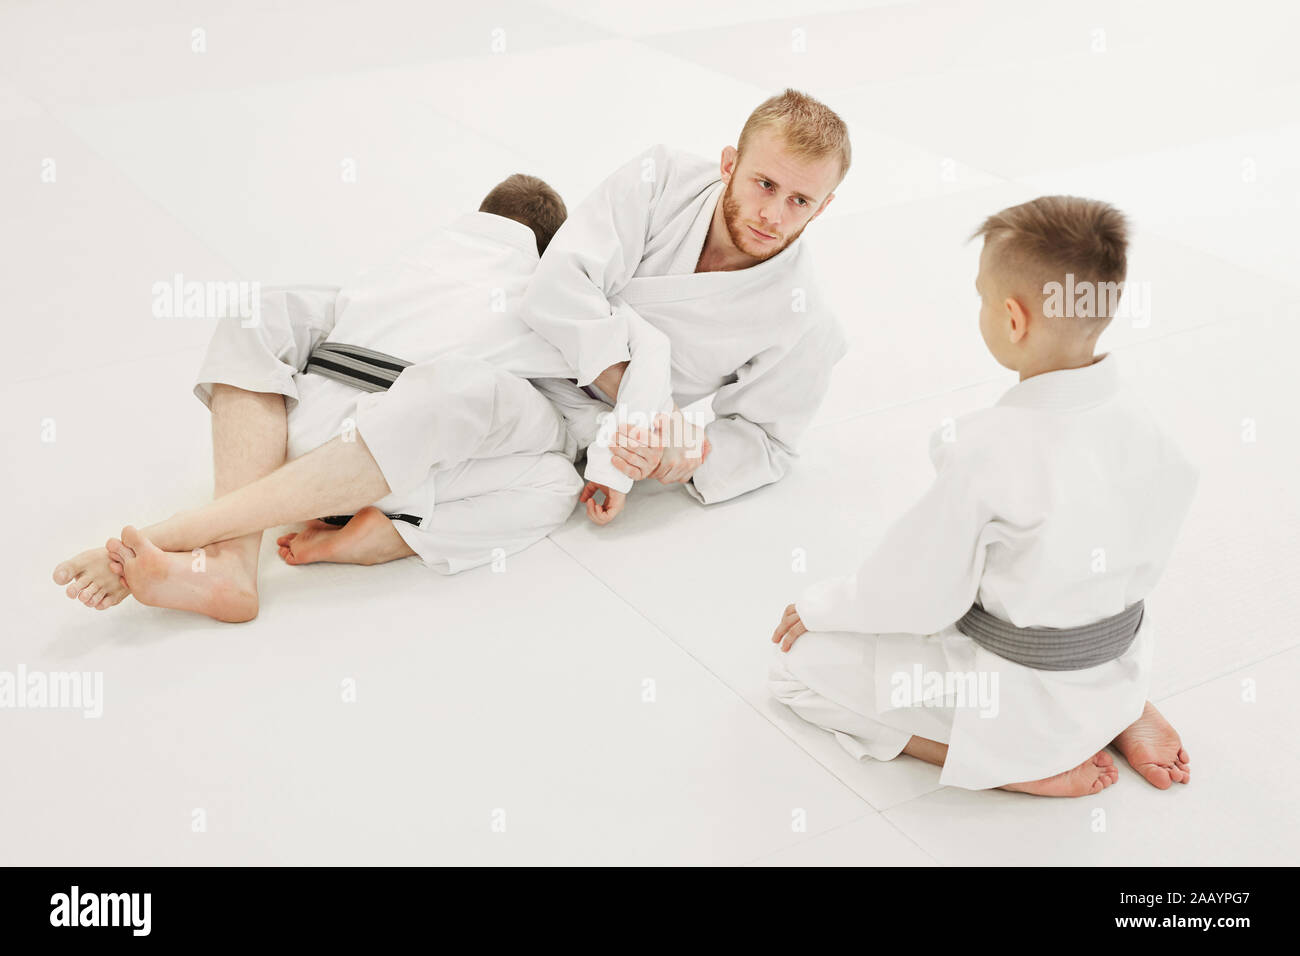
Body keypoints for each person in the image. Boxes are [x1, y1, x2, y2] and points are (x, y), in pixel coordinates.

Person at [769, 196, 1198, 797]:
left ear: (1014, 320)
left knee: (796, 670)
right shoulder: (1149, 429)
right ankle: (1119, 709)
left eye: (981, 298)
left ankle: (1014, 767)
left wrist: (825, 606)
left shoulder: (989, 450)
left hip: (1014, 695)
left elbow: (918, 597)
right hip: (1112, 665)